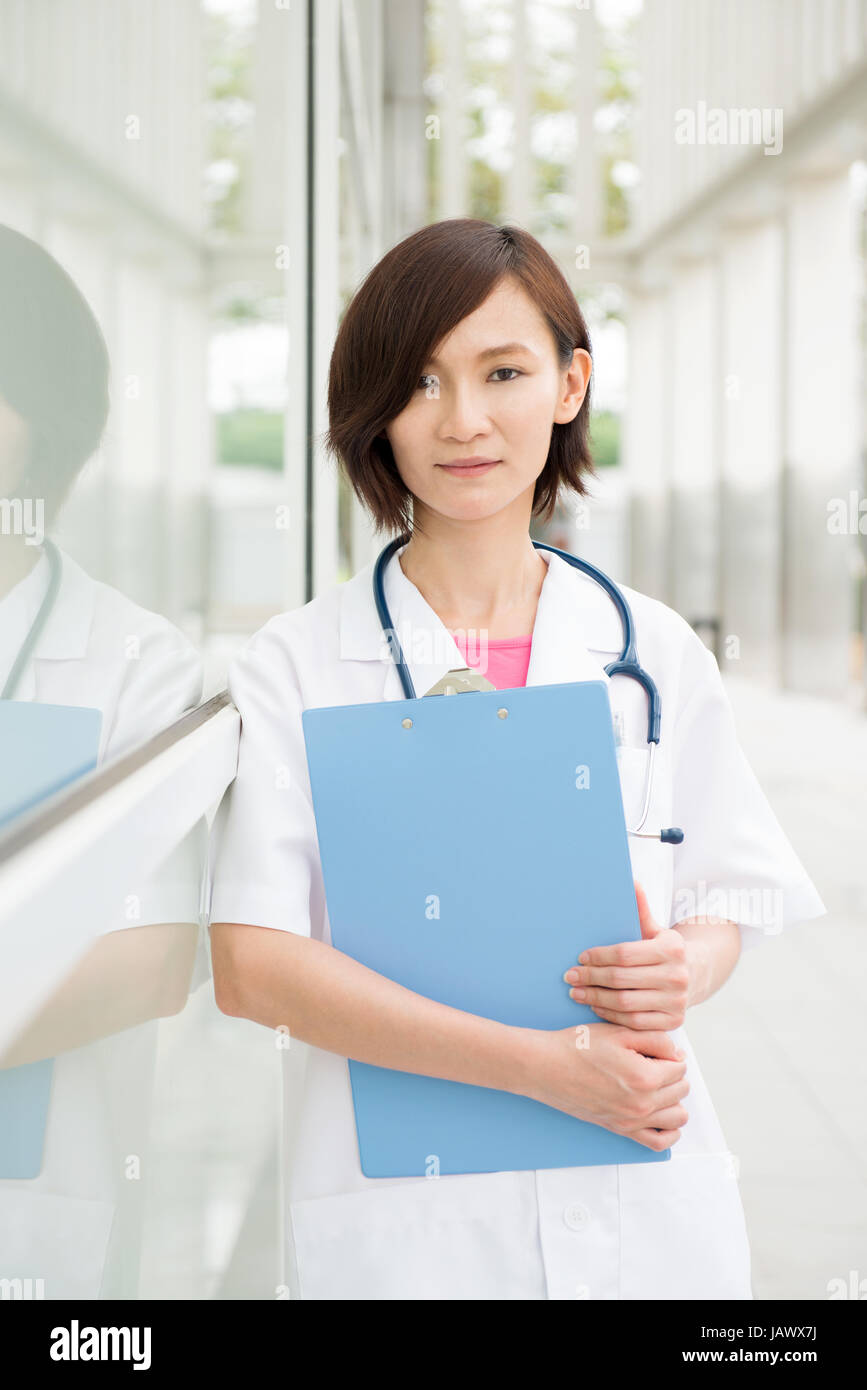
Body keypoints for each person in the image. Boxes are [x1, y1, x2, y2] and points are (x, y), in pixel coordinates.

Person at [208, 218, 826, 1301]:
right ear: (377, 415)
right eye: (422, 383)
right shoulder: (298, 663)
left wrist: (688, 962)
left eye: (503, 372)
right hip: (410, 1227)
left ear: (570, 384)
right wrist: (545, 1072)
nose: (465, 421)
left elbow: (729, 894)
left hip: (647, 1210)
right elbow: (254, 967)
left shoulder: (654, 650)